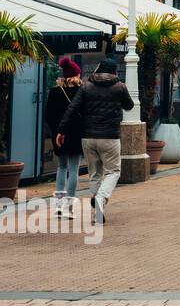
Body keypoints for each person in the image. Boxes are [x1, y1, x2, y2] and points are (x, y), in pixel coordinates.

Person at [56, 57, 132, 225]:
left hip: (88, 137)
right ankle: (101, 198)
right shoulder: (120, 87)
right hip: (110, 137)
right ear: (114, 72)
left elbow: (72, 108)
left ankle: (98, 211)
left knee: (95, 173)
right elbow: (129, 106)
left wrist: (62, 130)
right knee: (113, 171)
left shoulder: (86, 87)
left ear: (99, 69)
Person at [45, 57, 83, 219]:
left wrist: (56, 129)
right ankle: (69, 207)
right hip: (76, 134)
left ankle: (58, 206)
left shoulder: (54, 92)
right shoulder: (82, 92)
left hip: (59, 134)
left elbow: (48, 115)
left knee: (61, 167)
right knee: (74, 168)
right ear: (76, 75)